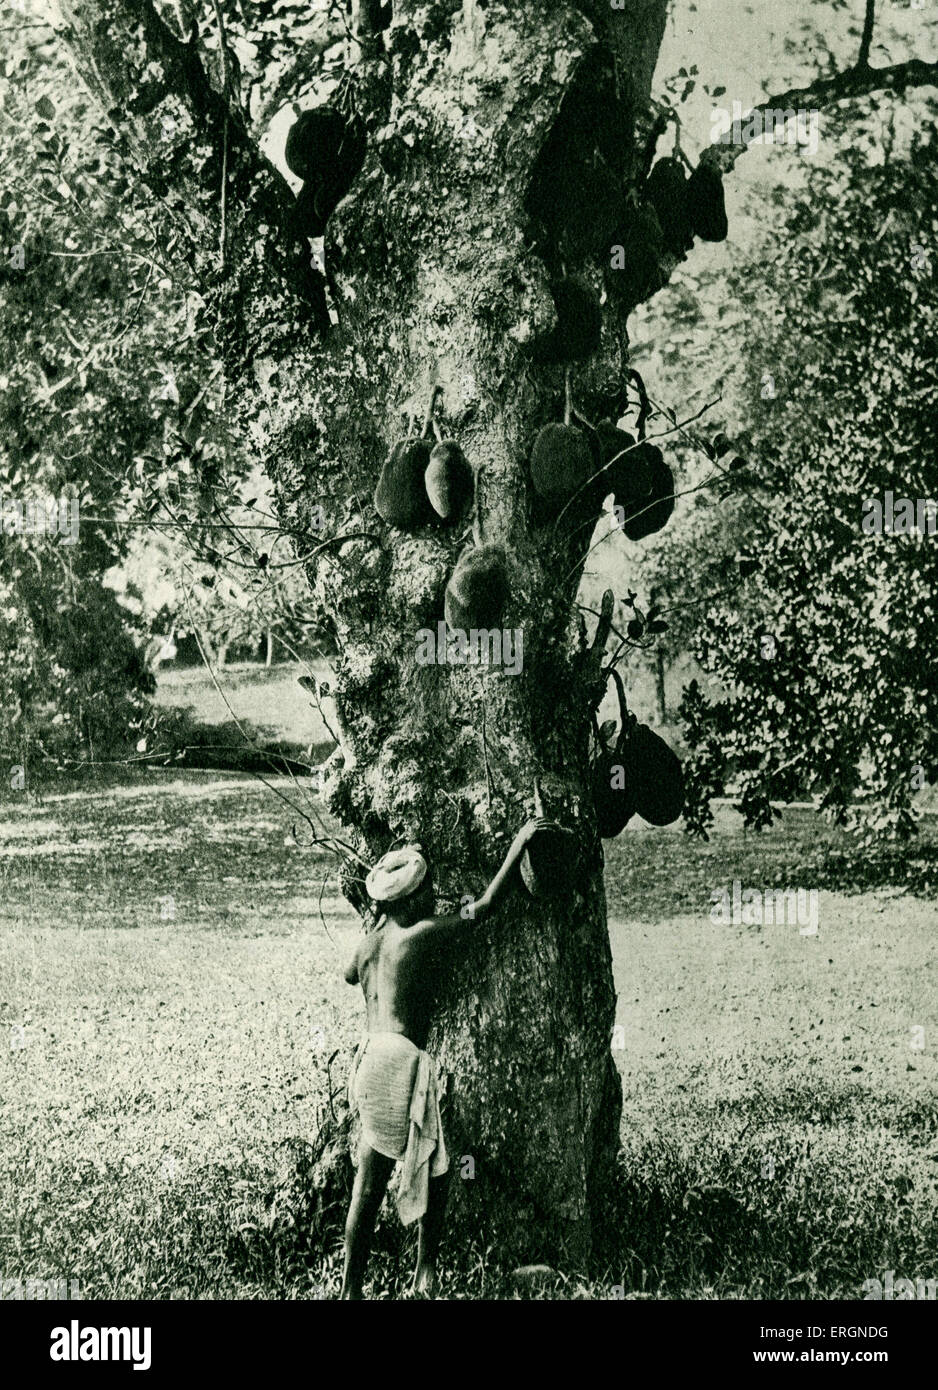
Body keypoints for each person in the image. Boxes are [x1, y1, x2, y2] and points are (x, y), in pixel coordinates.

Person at [340, 817, 553, 1299]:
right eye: (428, 891)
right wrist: (519, 844)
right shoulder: (422, 934)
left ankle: (351, 1290)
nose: (433, 897)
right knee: (436, 1164)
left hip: (369, 1058)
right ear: (412, 900)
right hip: (400, 1059)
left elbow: (348, 974)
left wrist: (376, 928)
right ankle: (424, 1272)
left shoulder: (372, 941)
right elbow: (485, 909)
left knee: (368, 1183)